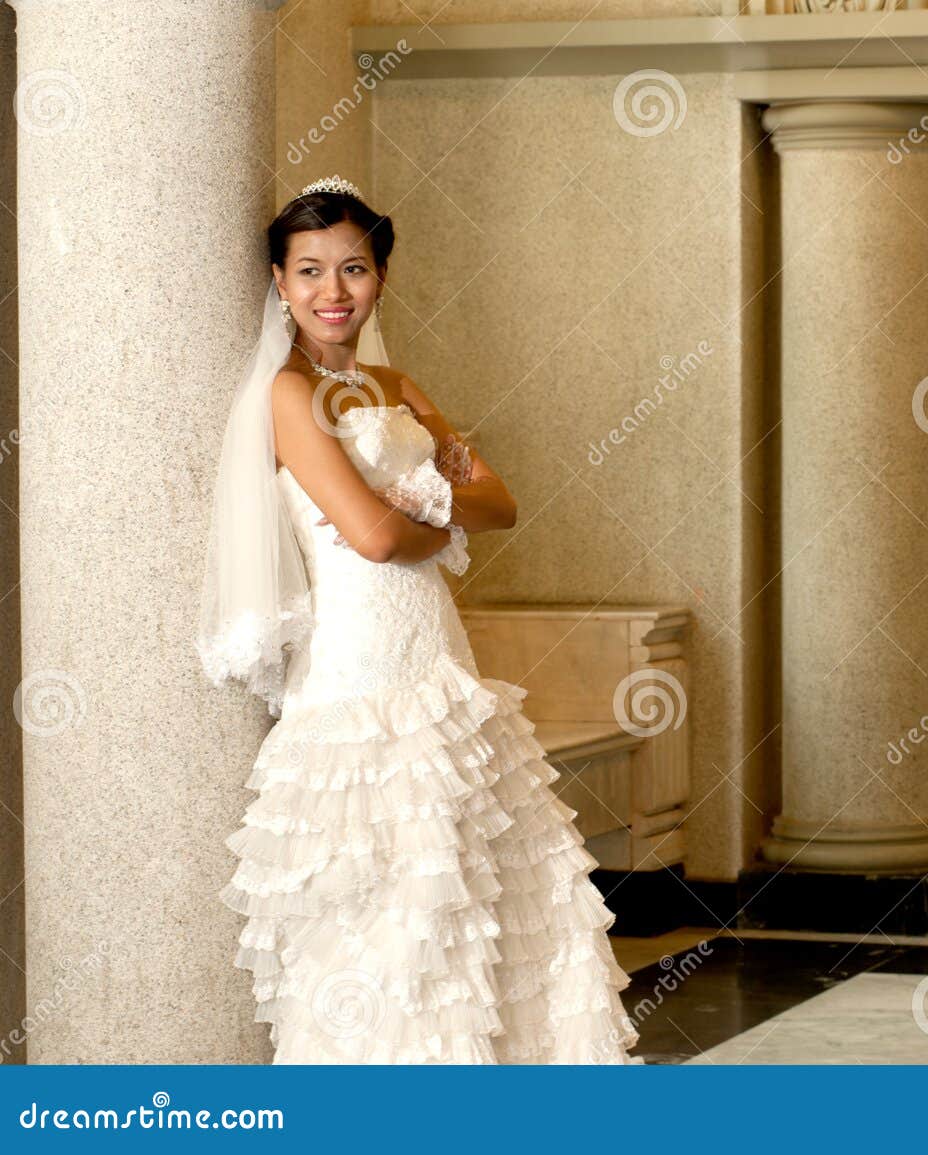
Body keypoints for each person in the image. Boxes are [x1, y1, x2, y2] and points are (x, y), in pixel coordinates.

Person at [195, 175, 638, 1064]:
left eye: (353, 268)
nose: (333, 290)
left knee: (473, 885)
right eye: (310, 270)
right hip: (357, 669)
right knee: (387, 906)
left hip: (437, 654)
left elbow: (500, 500)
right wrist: (434, 513)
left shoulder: (400, 388)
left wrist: (422, 509)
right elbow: (372, 536)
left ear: (381, 277)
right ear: (279, 282)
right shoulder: (286, 393)